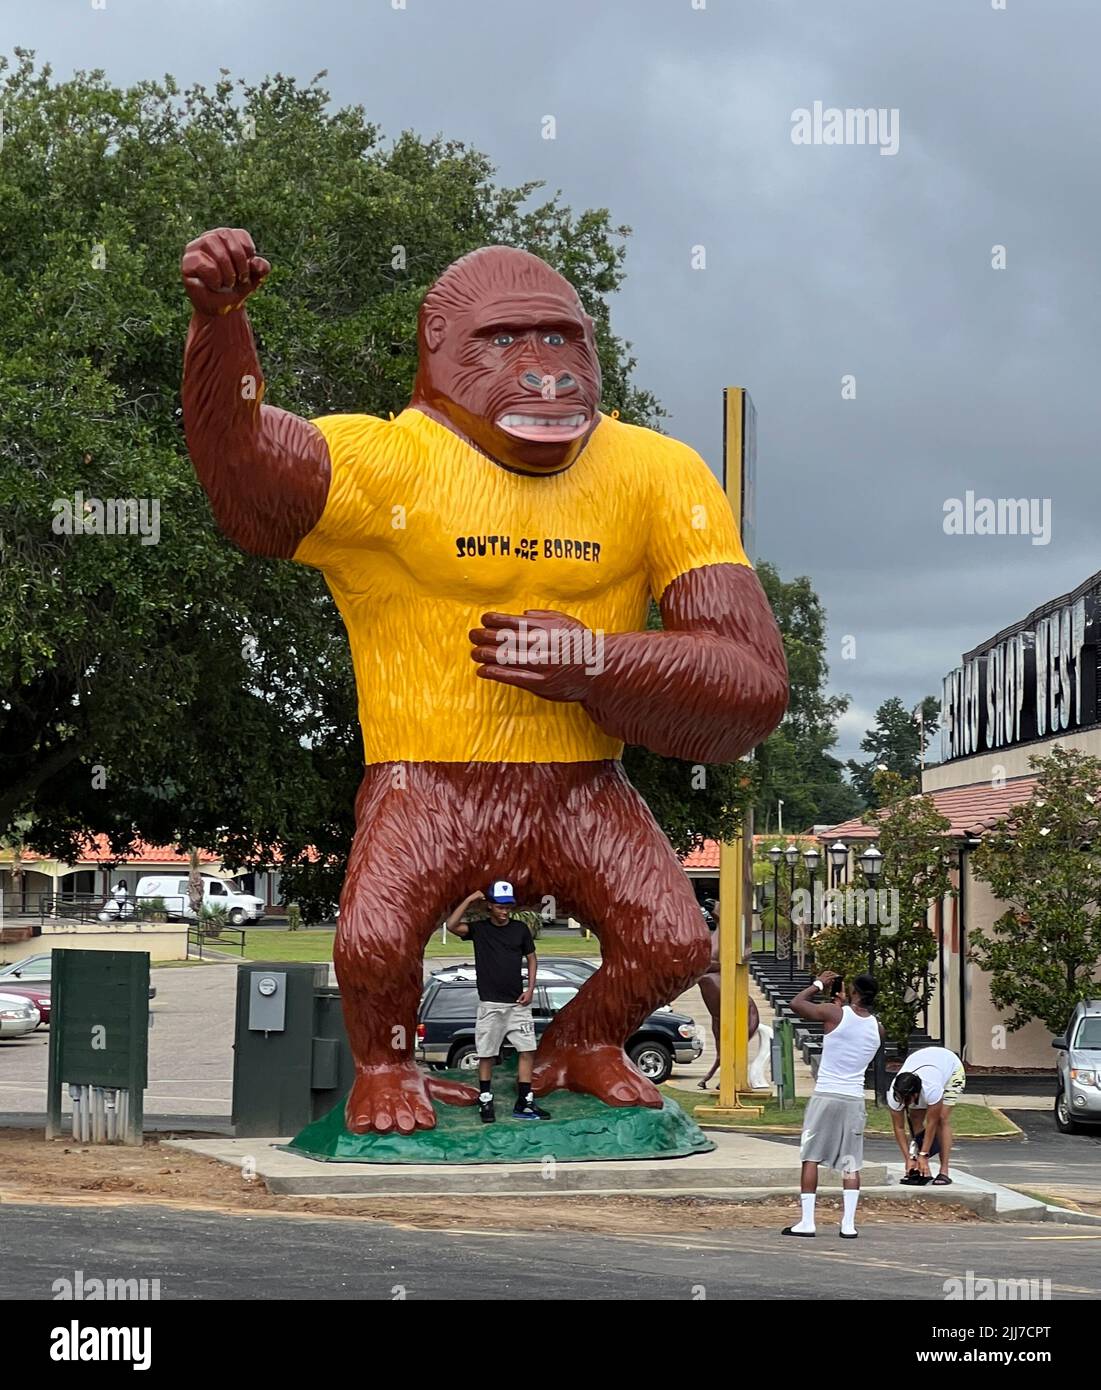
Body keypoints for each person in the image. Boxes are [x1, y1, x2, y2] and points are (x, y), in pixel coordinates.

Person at [783, 970, 884, 1240]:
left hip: (826, 1094)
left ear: (854, 992)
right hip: (853, 1099)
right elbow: (851, 1036)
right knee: (852, 1162)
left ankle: (807, 1221)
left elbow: (796, 1004)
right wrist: (840, 1005)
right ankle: (848, 1224)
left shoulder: (834, 1013)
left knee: (811, 1156)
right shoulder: (878, 1028)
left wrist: (818, 984)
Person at [445, 881, 550, 1124]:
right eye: (500, 906)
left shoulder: (520, 929)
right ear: (490, 906)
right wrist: (470, 898)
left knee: (527, 1050)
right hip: (490, 1005)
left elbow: (532, 958)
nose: (505, 911)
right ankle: (485, 1098)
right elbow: (451, 925)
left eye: (508, 906)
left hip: (517, 1005)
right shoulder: (479, 929)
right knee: (486, 1054)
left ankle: (524, 1102)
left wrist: (530, 989)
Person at [886, 1045, 966, 1184]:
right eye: (901, 1100)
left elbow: (932, 1123)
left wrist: (924, 1154)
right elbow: (899, 1128)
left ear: (916, 1094)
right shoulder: (894, 1094)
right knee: (915, 1117)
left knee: (941, 1118)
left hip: (951, 1069)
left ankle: (944, 1170)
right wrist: (909, 1159)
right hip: (924, 1062)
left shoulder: (932, 1088)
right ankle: (922, 1167)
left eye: (908, 1100)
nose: (904, 1104)